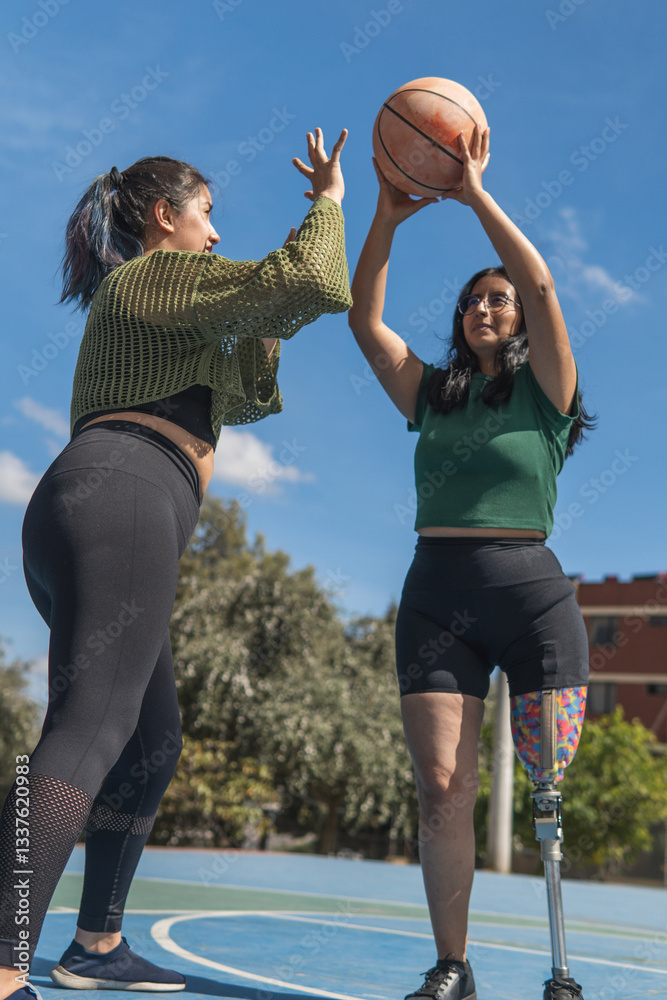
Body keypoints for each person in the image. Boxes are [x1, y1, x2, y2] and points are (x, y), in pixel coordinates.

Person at [0, 127, 351, 1000]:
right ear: (164, 217)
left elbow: (253, 375)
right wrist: (330, 209)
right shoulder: (152, 273)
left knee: (151, 741)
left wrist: (289, 285)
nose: (217, 235)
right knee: (89, 729)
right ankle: (4, 966)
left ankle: (96, 944)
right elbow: (306, 280)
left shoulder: (159, 294)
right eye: (207, 216)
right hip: (123, 495)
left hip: (101, 504)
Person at [348, 126, 592, 1000]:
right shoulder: (431, 396)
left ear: (519, 319)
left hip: (530, 598)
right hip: (434, 594)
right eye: (470, 302)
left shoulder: (548, 392)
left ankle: (557, 970)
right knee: (442, 787)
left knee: (544, 792)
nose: (485, 307)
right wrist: (386, 216)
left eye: (497, 300)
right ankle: (452, 966)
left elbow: (539, 278)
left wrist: (472, 192)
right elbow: (364, 320)